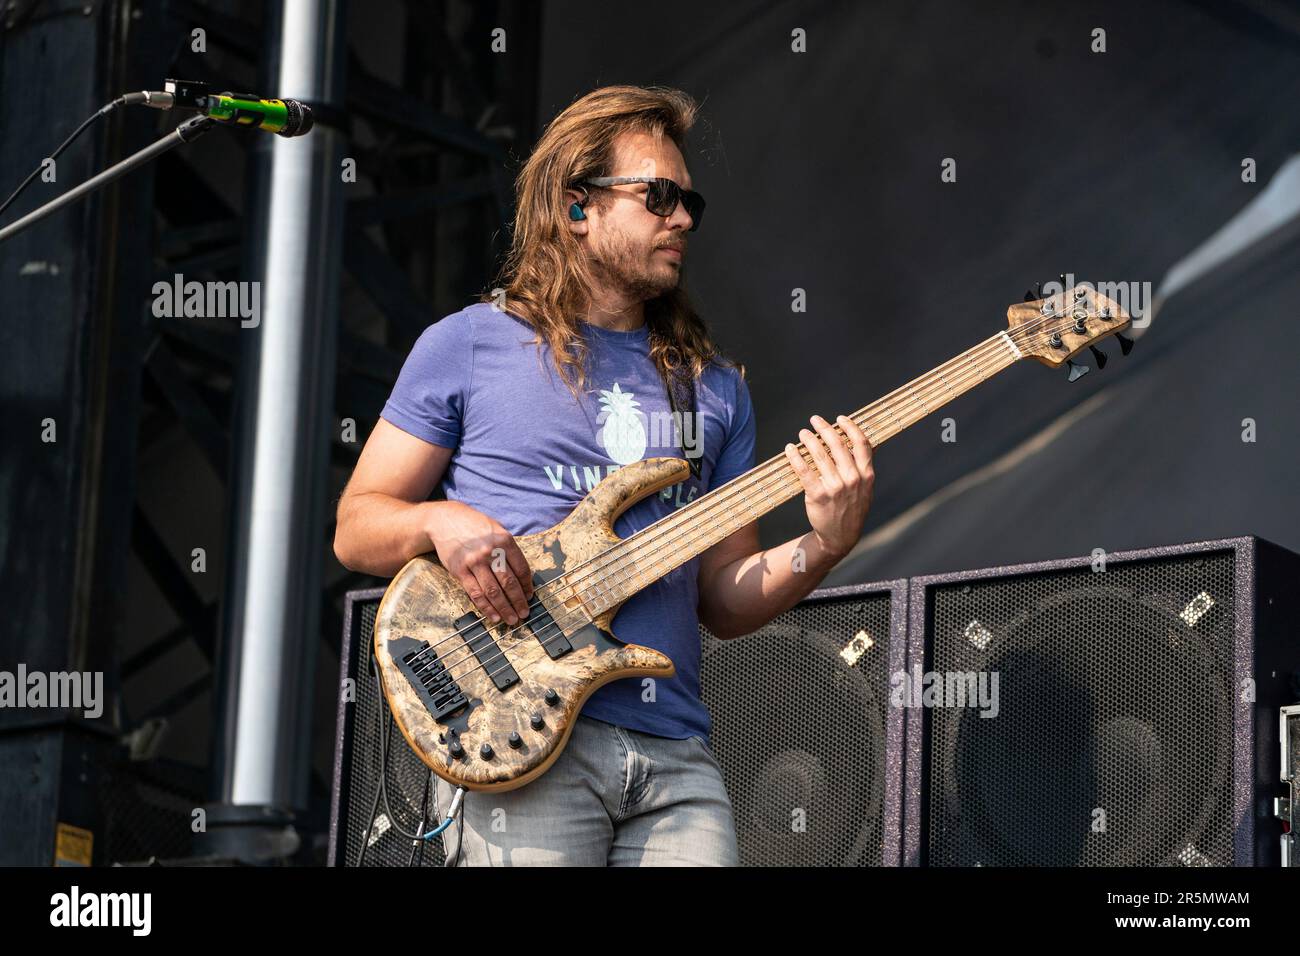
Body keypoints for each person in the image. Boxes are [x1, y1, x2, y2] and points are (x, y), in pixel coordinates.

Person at [333, 84, 875, 866]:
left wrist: (823, 546)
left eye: (689, 200)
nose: (683, 217)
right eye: (658, 195)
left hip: (675, 756)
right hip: (519, 730)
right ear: (577, 206)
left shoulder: (715, 387)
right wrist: (438, 523)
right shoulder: (469, 343)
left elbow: (721, 599)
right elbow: (356, 526)